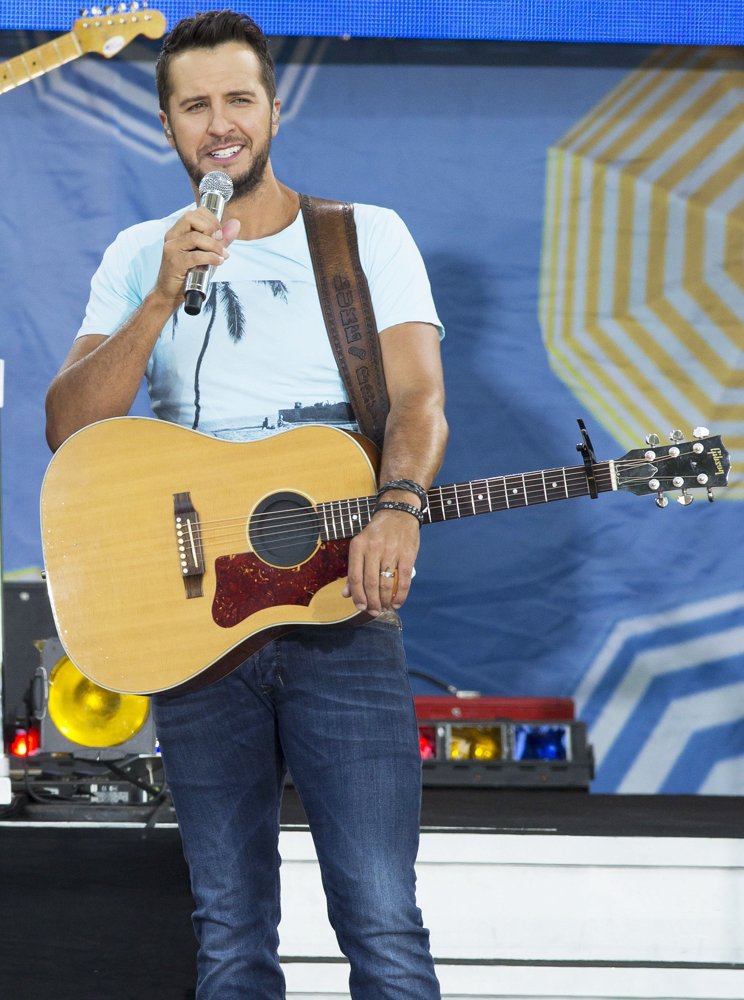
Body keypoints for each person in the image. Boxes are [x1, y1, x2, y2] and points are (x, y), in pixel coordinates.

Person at [45, 10, 447, 999]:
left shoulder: (363, 237)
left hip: (341, 611)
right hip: (194, 630)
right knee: (229, 928)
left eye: (237, 99)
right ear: (170, 127)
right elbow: (69, 427)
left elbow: (420, 399)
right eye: (195, 106)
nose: (218, 123)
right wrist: (155, 299)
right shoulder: (140, 253)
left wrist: (398, 500)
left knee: (382, 918)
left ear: (272, 108)